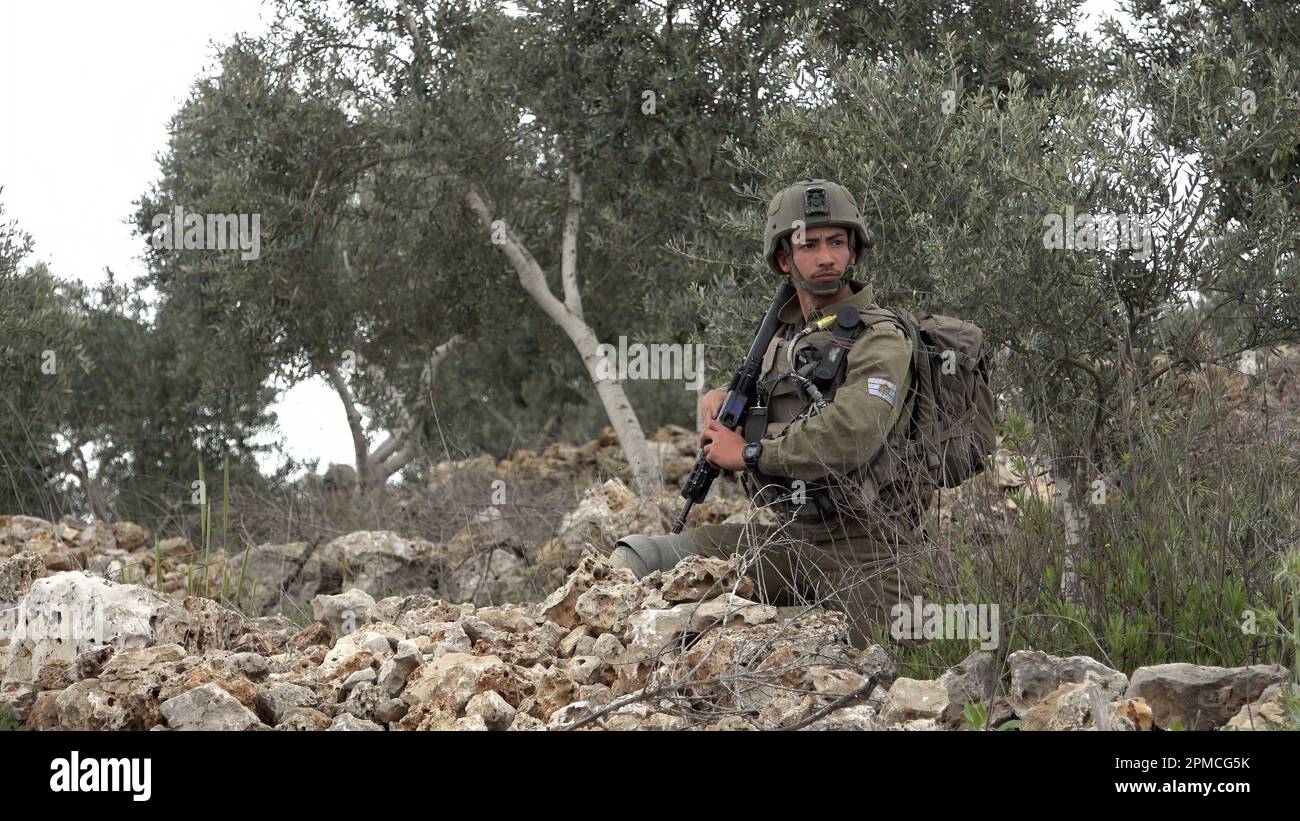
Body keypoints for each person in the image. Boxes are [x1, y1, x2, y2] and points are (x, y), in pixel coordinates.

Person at [610, 178, 932, 648]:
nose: (826, 257)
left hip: (869, 550)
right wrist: (723, 401)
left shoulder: (881, 337)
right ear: (785, 259)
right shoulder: (786, 338)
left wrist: (750, 453)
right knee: (639, 560)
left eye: (837, 242)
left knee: (882, 673)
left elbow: (853, 432)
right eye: (809, 245)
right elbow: (776, 401)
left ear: (853, 251)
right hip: (788, 539)